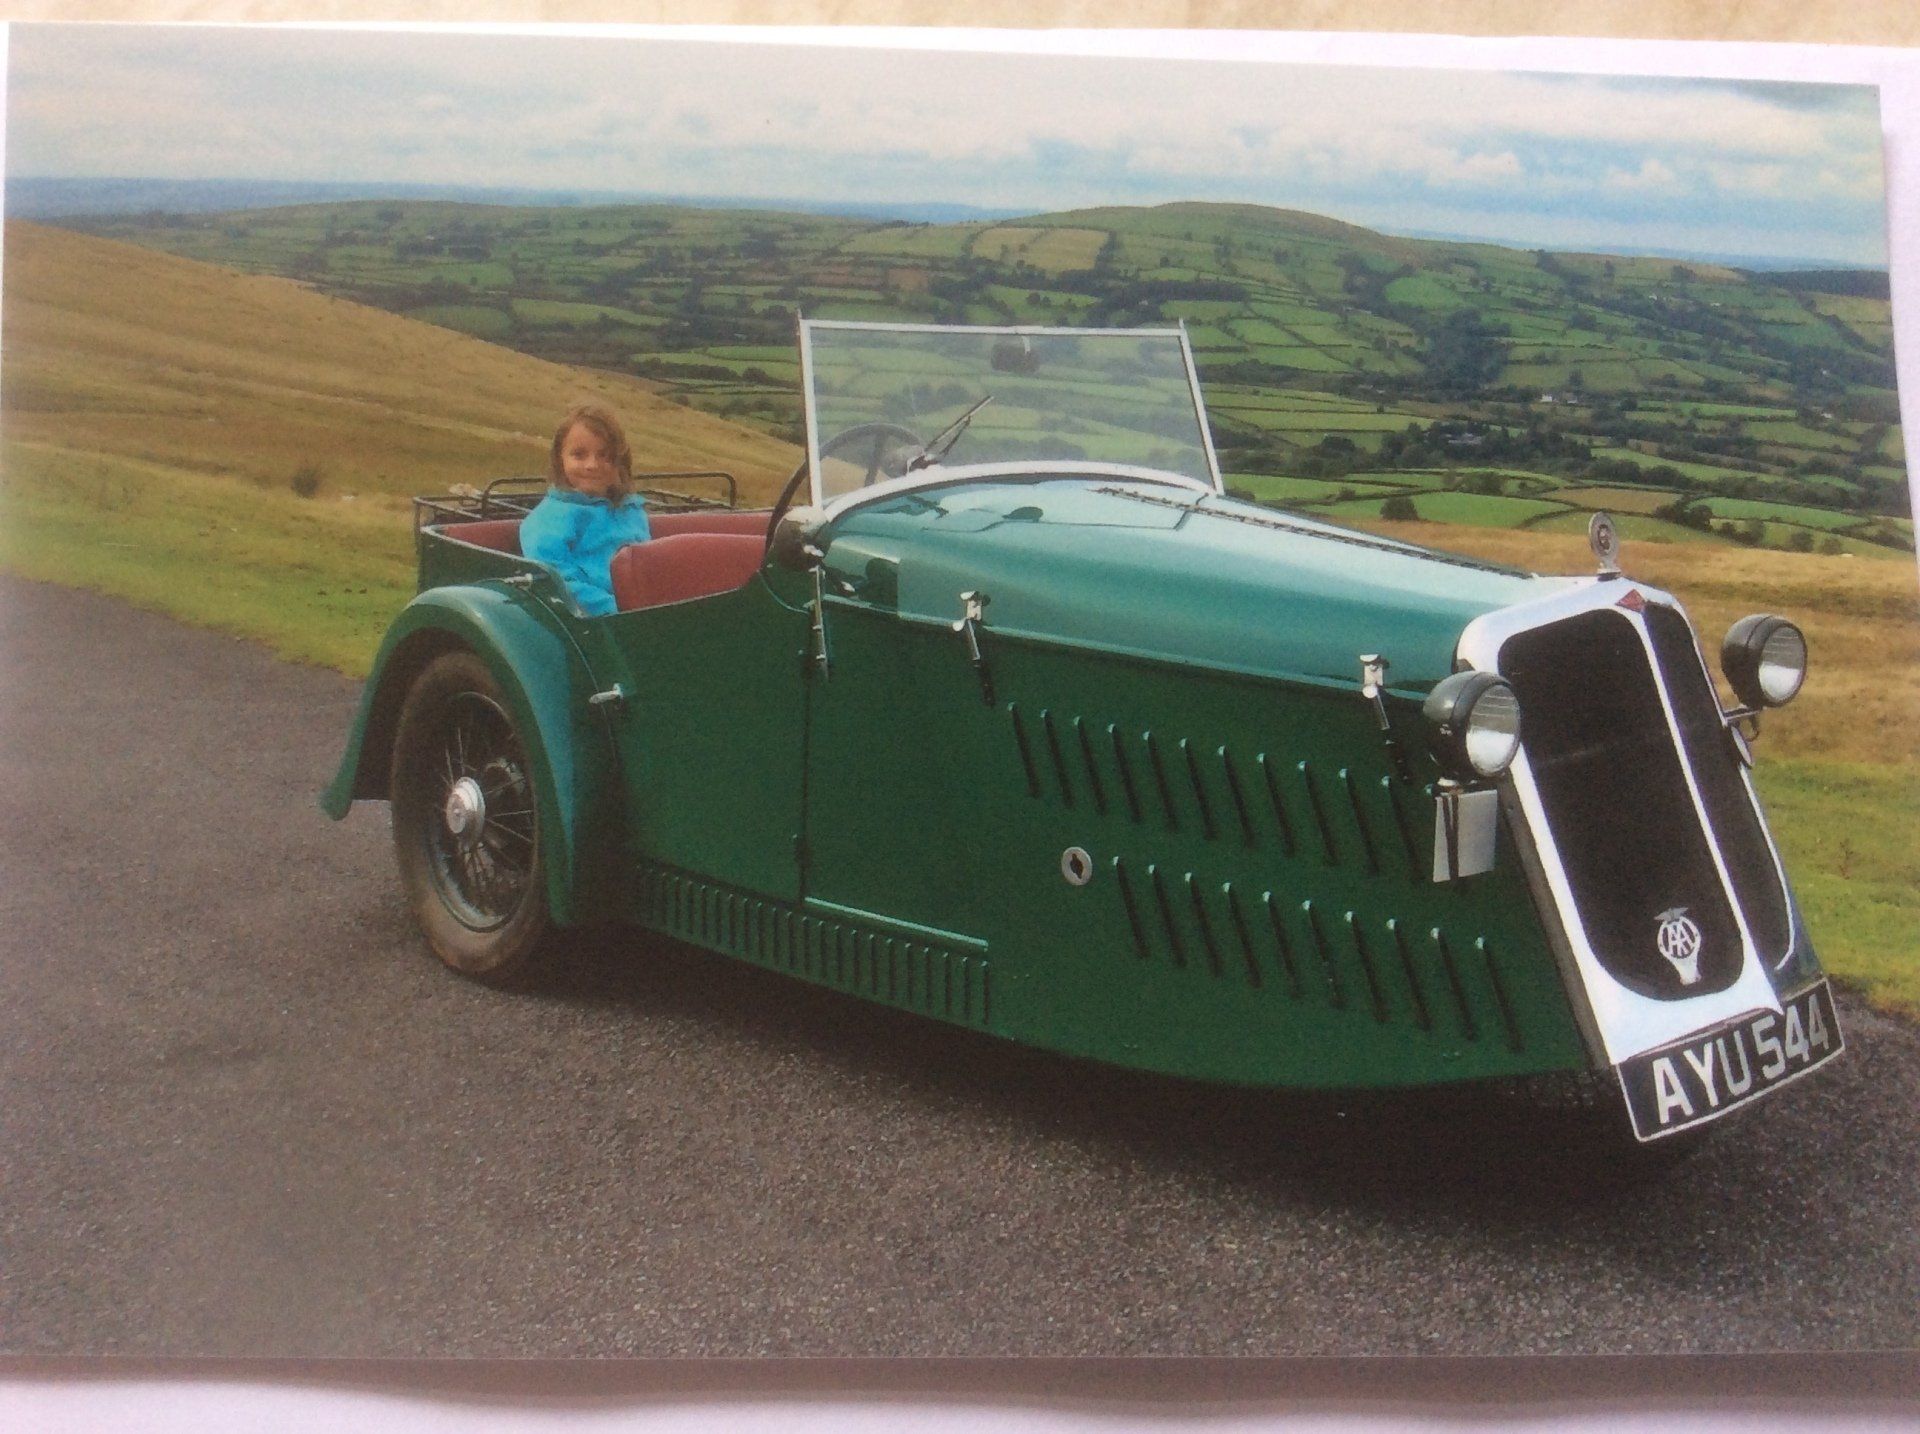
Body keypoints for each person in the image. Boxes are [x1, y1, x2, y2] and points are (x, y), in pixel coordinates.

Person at [519, 403, 651, 616]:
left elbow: (648, 566)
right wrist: (619, 610)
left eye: (604, 456)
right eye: (579, 455)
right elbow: (560, 582)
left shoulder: (631, 510)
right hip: (594, 621)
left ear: (619, 462)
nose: (592, 465)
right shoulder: (546, 521)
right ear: (559, 459)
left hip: (645, 609)